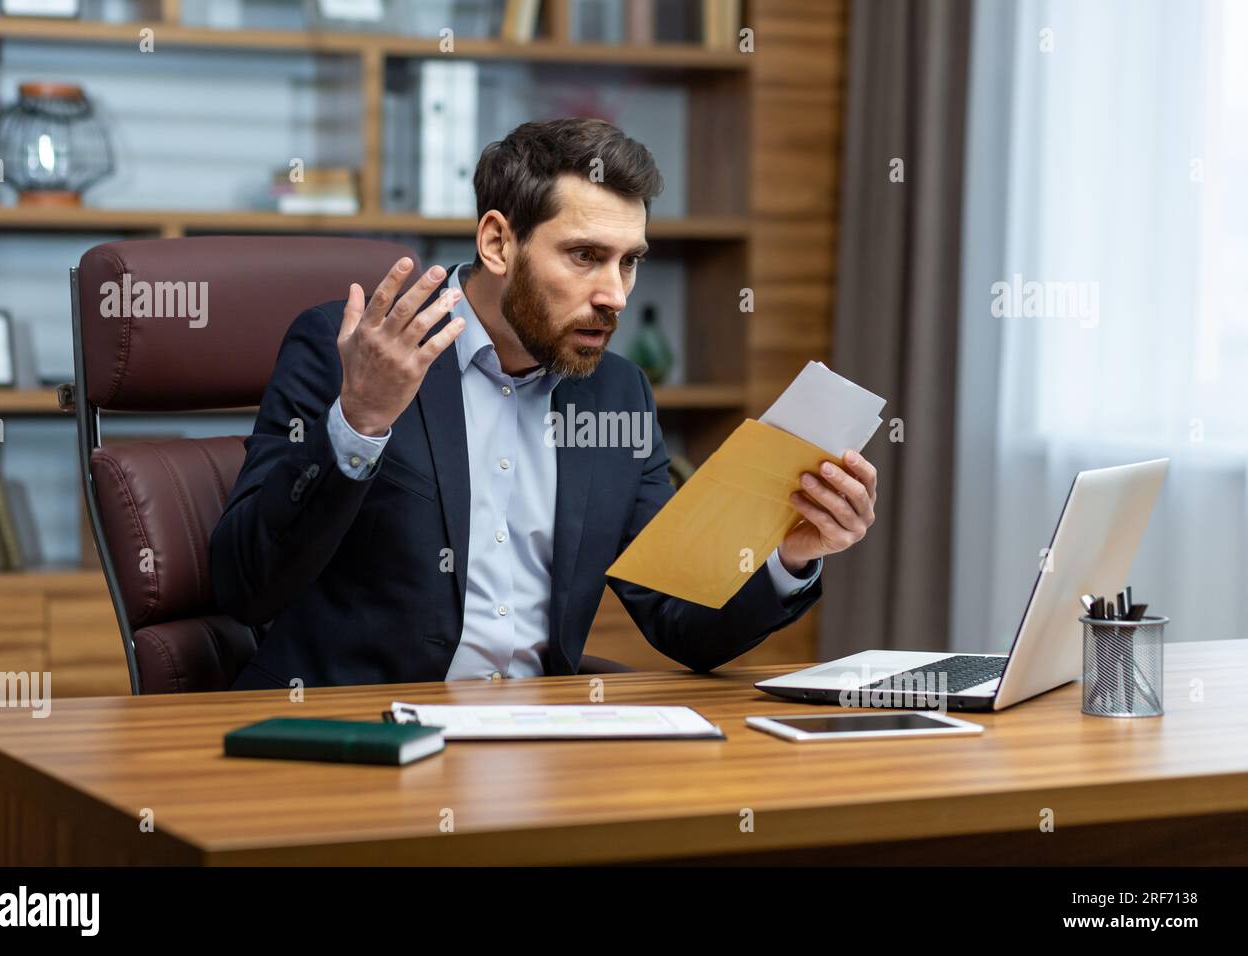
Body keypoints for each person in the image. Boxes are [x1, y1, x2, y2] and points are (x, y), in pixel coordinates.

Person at [212, 117, 877, 689]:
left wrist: (789, 556)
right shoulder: (351, 350)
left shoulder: (617, 393)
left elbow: (681, 620)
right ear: (498, 242)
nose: (614, 293)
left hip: (541, 746)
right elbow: (247, 587)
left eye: (628, 261)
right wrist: (360, 423)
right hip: (355, 741)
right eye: (586, 256)